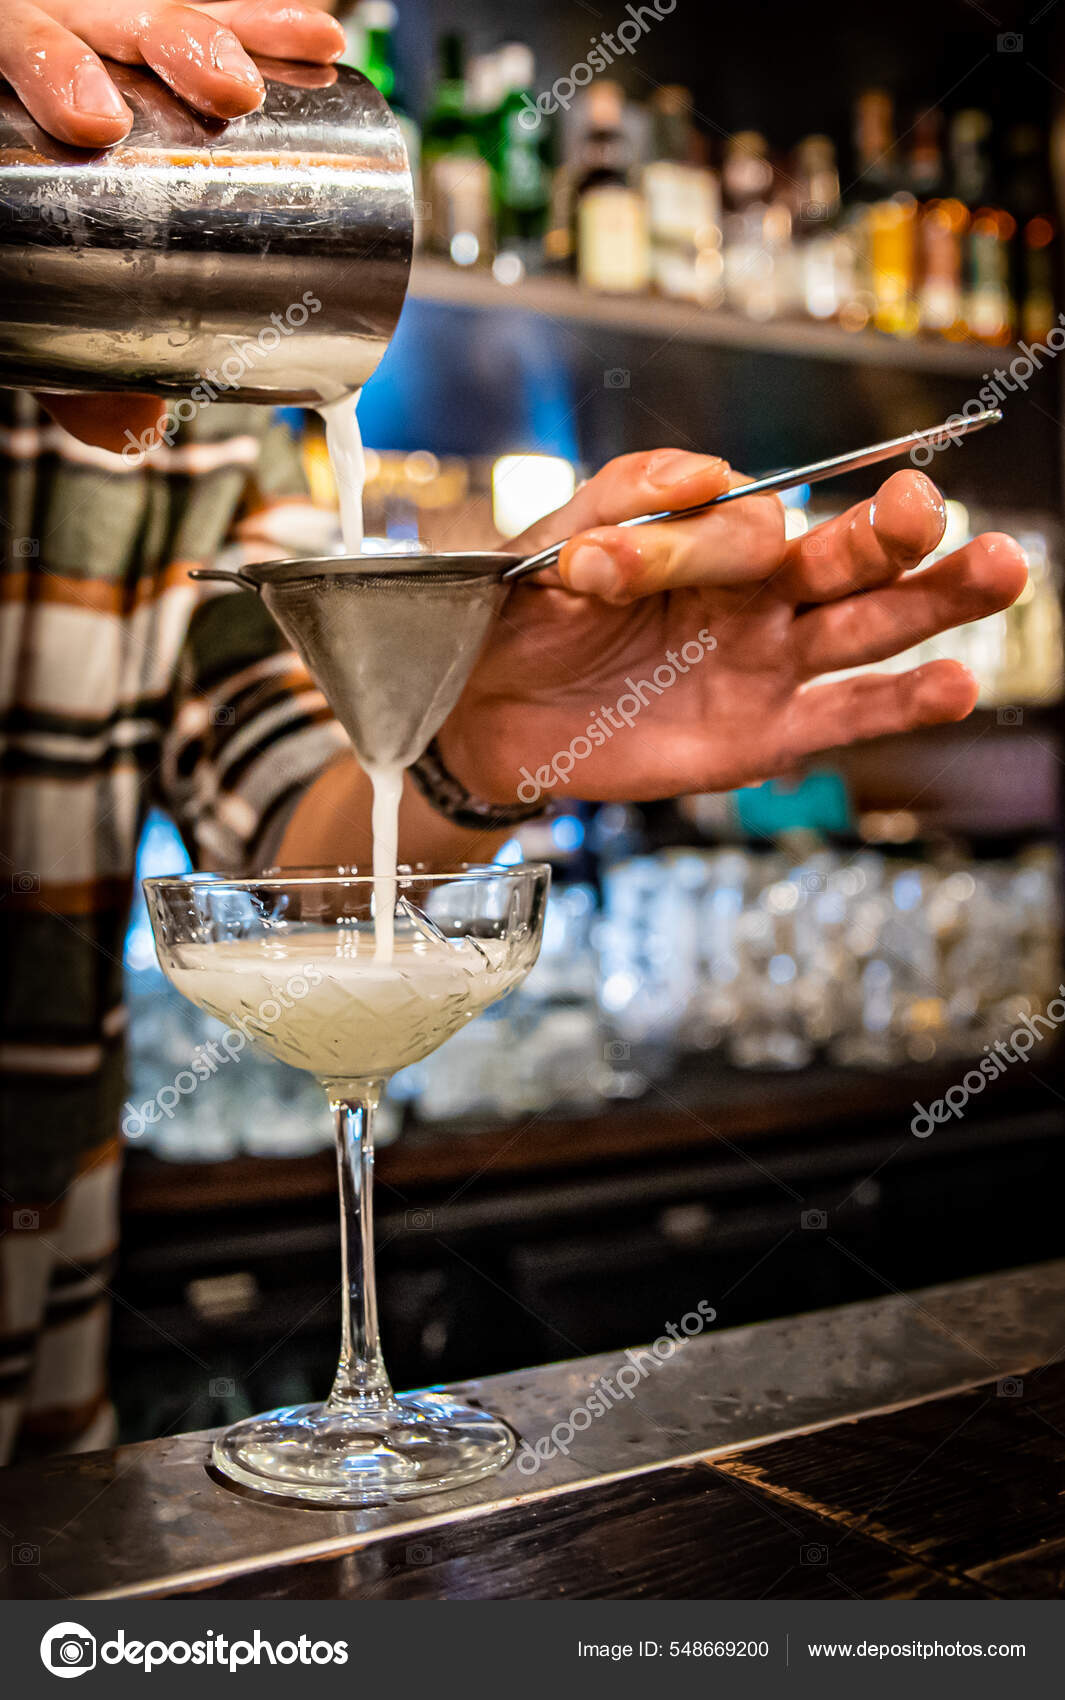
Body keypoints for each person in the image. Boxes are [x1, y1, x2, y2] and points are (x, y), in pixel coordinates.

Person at [0, 1, 1029, 1461]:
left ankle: (361, 1397)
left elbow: (292, 814)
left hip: (43, 1447)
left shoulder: (191, 418)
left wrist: (493, 744)